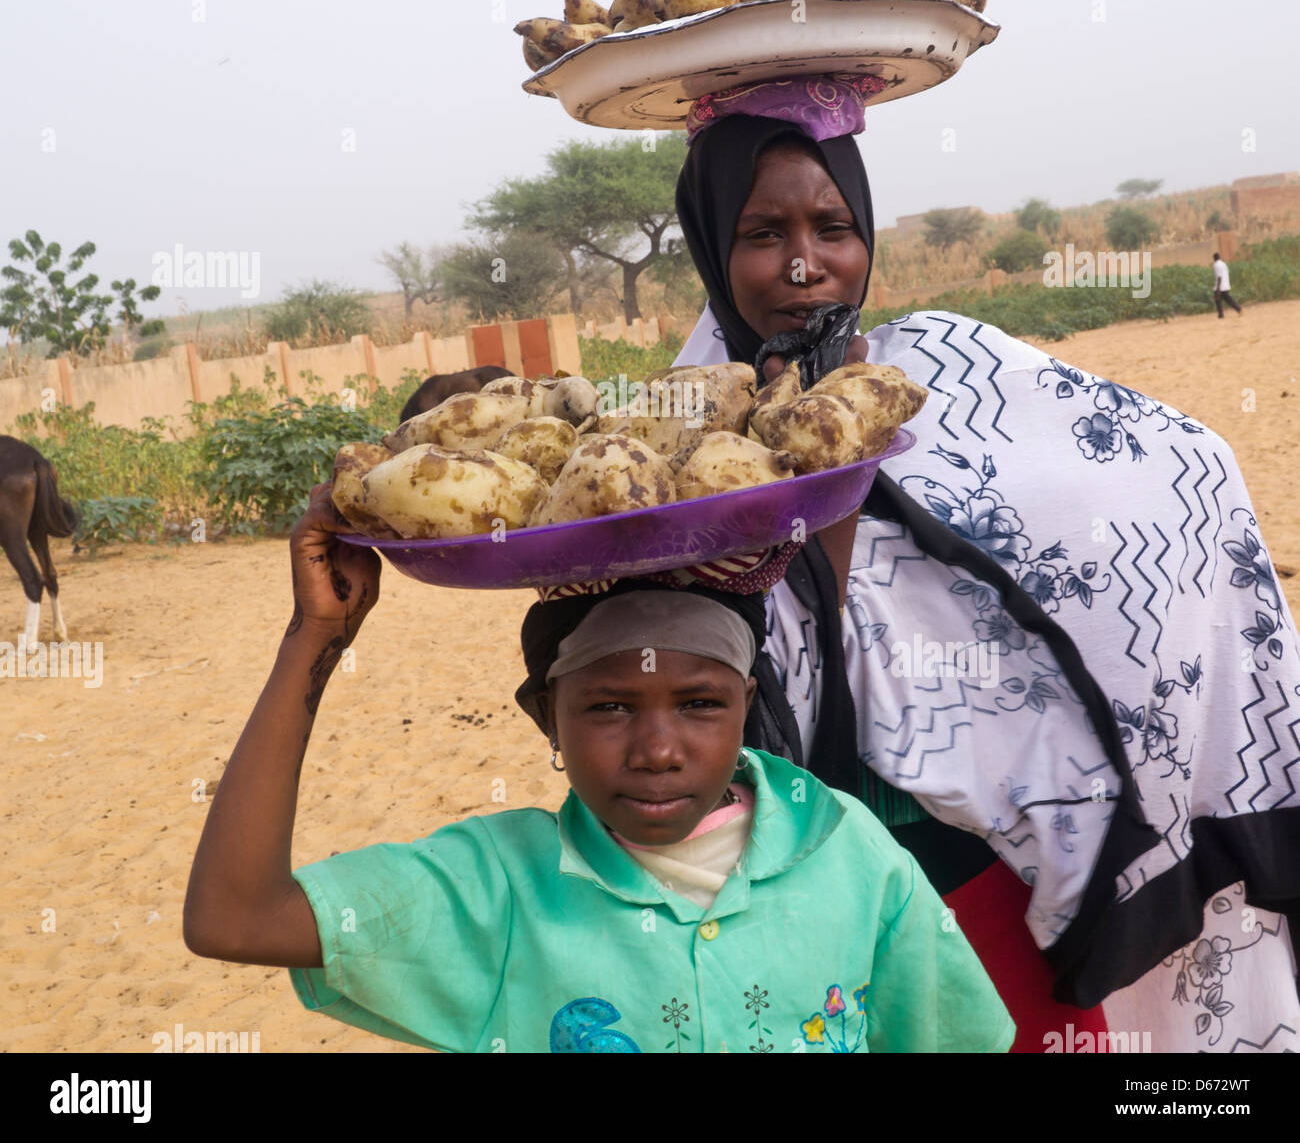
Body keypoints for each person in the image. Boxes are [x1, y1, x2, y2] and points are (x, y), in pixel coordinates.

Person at [670, 75, 1300, 1053]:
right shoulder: (667, 448)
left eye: (830, 225)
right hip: (789, 894)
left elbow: (1182, 468)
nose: (804, 263)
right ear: (713, 243)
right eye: (761, 234)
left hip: (973, 879)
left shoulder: (953, 378)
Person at [182, 485, 1015, 1054]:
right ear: (546, 715)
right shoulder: (500, 889)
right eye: (610, 708)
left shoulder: (846, 850)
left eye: (699, 705)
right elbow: (237, 919)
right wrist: (314, 640)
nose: (657, 751)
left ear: (746, 700)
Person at [1212, 251, 1243, 317]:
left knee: (1218, 299)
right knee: (1228, 300)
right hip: (1226, 285)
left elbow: (1219, 277)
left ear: (1214, 258)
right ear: (1219, 257)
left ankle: (1221, 314)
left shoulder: (1216, 265)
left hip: (1220, 286)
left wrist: (1218, 289)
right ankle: (1238, 309)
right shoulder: (1224, 264)